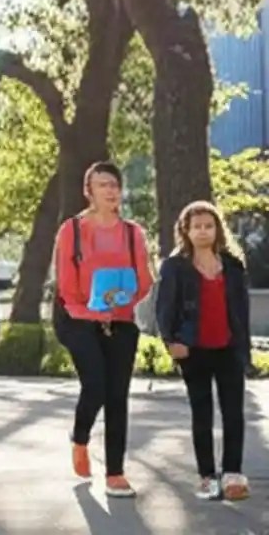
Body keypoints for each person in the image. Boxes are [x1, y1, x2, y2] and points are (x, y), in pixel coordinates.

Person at [53, 161, 153, 498]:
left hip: (120, 319)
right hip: (78, 317)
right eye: (102, 185)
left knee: (117, 396)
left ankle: (115, 472)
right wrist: (94, 311)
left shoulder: (132, 233)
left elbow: (144, 279)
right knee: (95, 384)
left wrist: (121, 302)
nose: (110, 191)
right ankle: (80, 437)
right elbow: (66, 285)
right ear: (89, 191)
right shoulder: (72, 230)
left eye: (114, 184)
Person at [155, 200, 252, 501]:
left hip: (228, 349)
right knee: (202, 414)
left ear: (217, 229)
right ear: (185, 230)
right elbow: (164, 309)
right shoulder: (175, 267)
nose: (202, 231)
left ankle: (233, 474)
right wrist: (172, 342)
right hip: (193, 350)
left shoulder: (233, 266)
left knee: (234, 413)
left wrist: (244, 351)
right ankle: (207, 477)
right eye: (196, 226)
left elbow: (242, 312)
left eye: (208, 226)